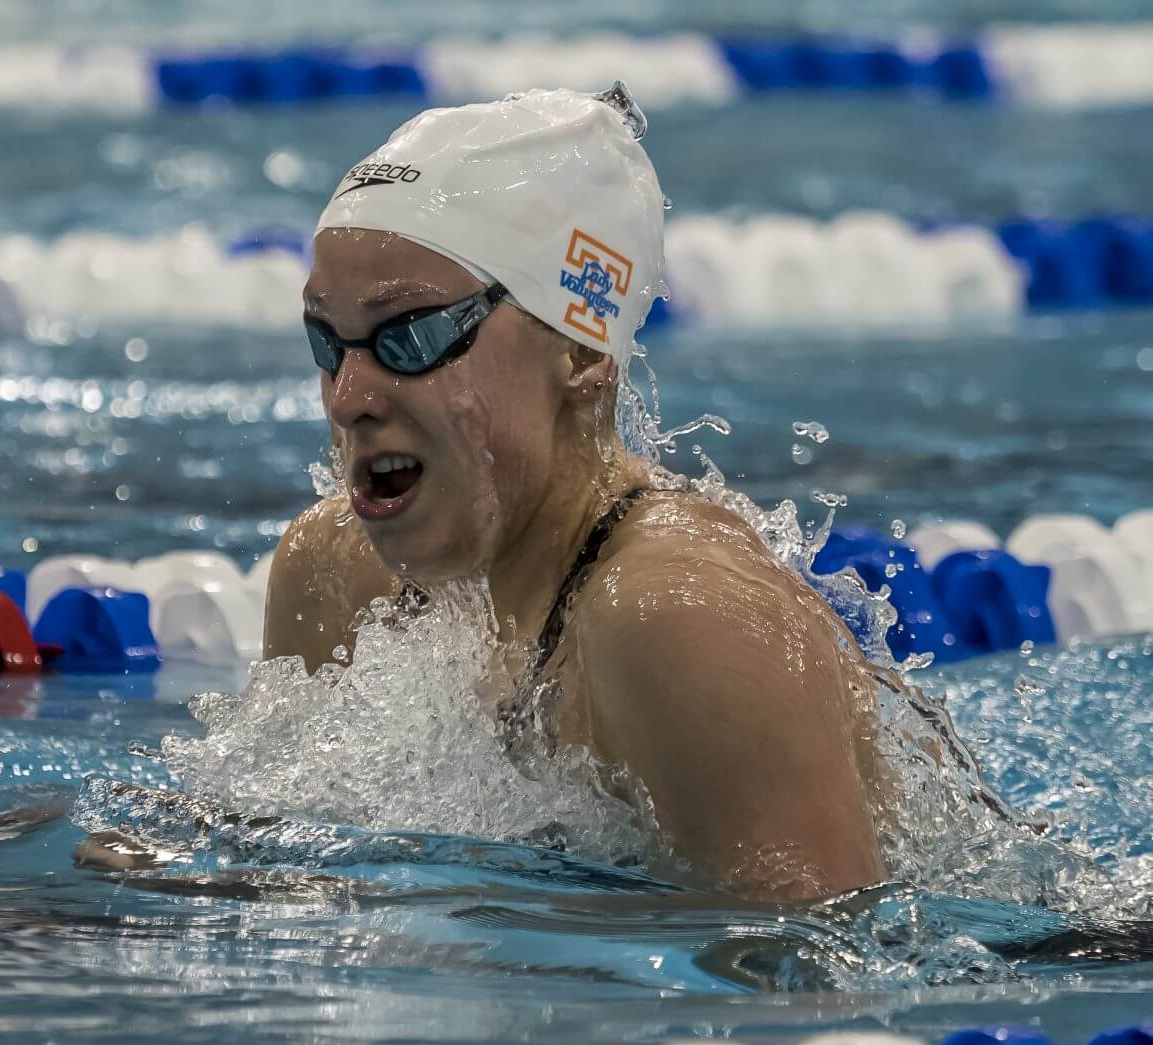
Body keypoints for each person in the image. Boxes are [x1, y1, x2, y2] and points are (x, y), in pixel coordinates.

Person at [263, 83, 890, 902]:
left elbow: (821, 957)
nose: (348, 397)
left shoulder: (677, 619)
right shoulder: (334, 573)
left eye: (410, 336)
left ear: (583, 350)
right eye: (327, 340)